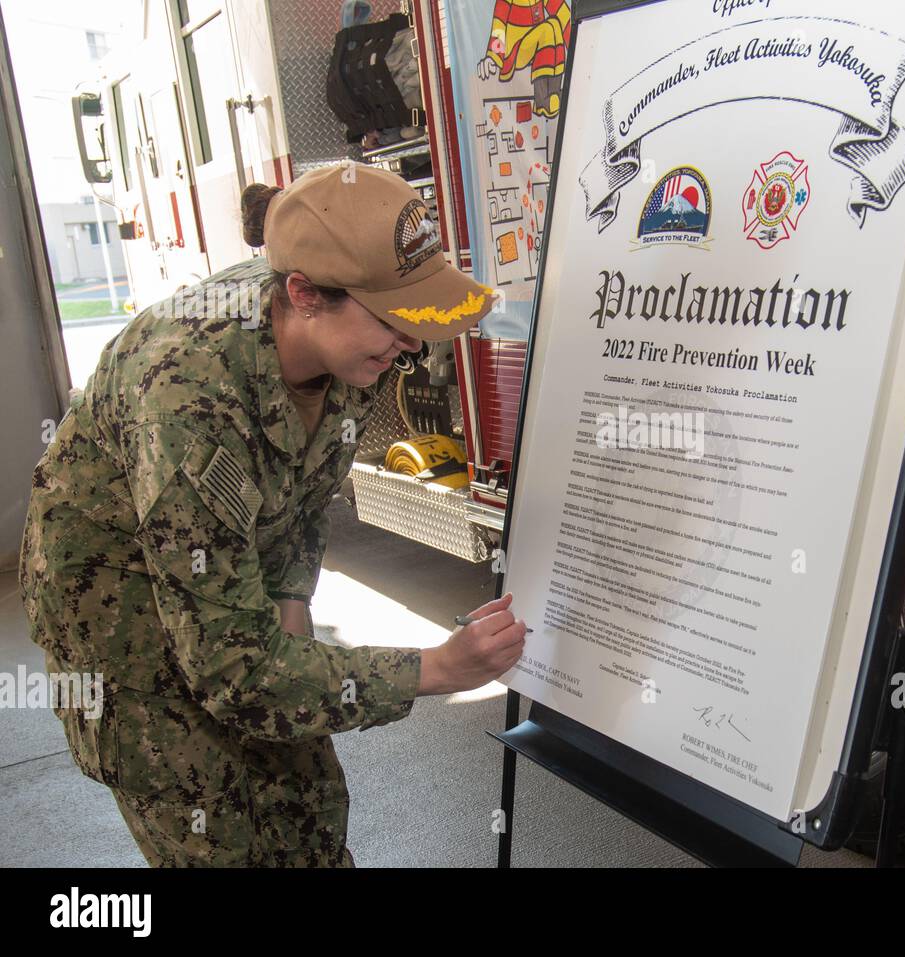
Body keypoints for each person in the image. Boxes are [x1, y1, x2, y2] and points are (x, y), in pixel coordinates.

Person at [18, 164, 526, 867]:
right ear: (303, 295)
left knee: (309, 816)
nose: (413, 343)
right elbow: (231, 673)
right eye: (394, 319)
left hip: (230, 594)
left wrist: (292, 598)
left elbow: (306, 497)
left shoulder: (345, 356)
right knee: (220, 840)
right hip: (131, 638)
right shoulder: (186, 396)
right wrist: (437, 668)